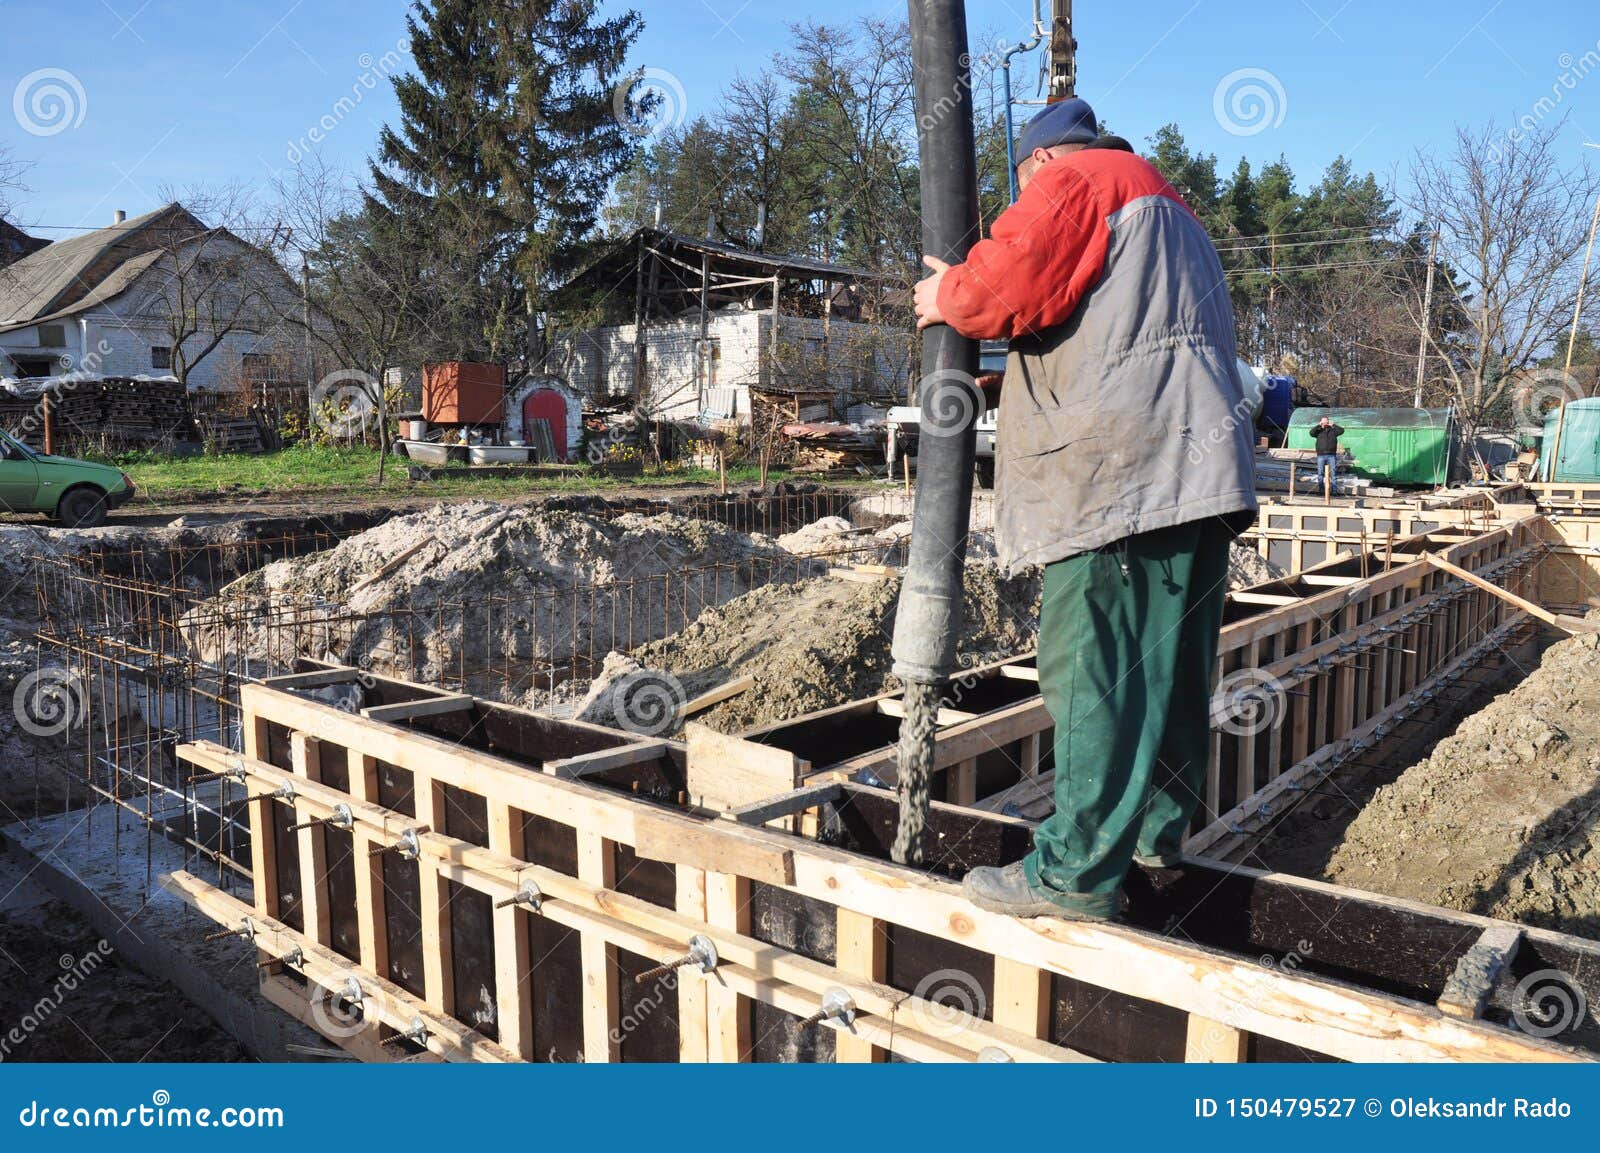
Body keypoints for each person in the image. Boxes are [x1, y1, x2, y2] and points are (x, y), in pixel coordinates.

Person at [912, 97, 1257, 922]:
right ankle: (1155, 842)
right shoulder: (1170, 207)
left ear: (1039, 161)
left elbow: (1004, 285)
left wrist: (945, 294)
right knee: (1170, 670)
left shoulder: (1076, 182)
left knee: (1093, 668)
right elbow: (1116, 332)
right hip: (1197, 473)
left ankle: (1074, 874)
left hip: (1121, 479)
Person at [1314, 416, 1345, 500]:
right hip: (1321, 455)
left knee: (1333, 474)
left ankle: (1334, 491)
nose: (1325, 424)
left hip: (1331, 455)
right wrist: (1319, 426)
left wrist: (1333, 425)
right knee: (1320, 474)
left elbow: (1342, 431)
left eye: (1326, 422)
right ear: (1321, 422)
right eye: (1323, 422)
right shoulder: (1318, 430)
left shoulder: (1333, 430)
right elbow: (1311, 433)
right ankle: (1321, 490)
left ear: (1328, 422)